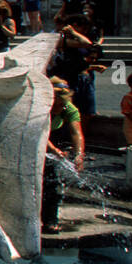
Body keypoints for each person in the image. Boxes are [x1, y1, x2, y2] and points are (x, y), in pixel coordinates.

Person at [42, 77, 84, 234]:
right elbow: (40, 132)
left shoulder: (68, 108)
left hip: (52, 142)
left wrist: (79, 155)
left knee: (52, 182)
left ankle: (50, 221)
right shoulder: (40, 107)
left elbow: (76, 133)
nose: (60, 107)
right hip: (32, 140)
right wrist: (53, 150)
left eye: (62, 105)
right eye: (57, 105)